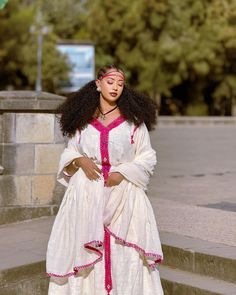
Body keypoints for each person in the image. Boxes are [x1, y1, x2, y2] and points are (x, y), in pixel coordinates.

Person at [46, 65, 164, 295]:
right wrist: (80, 160)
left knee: (125, 249)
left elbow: (148, 156)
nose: (115, 88)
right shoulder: (82, 121)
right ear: (98, 84)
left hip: (124, 197)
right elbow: (69, 152)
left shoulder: (134, 123)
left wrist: (124, 172)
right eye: (110, 82)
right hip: (86, 195)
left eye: (120, 84)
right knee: (83, 247)